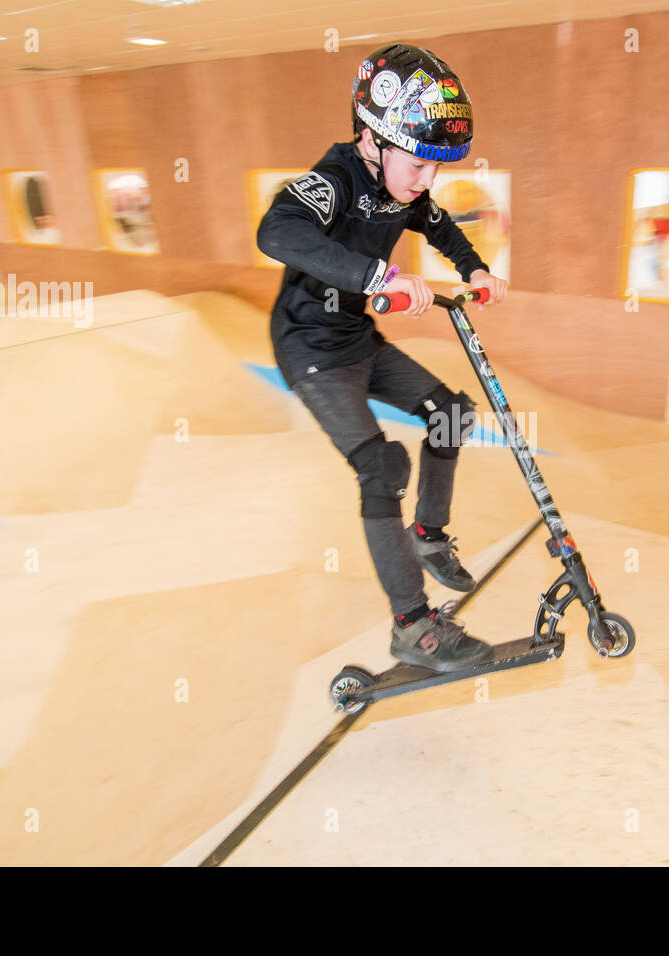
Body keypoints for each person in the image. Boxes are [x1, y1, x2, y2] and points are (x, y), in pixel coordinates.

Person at [257, 43, 509, 673]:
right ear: (372, 138)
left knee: (451, 414)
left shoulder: (407, 187)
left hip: (355, 340)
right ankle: (413, 627)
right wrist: (379, 276)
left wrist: (475, 267)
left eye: (433, 168)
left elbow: (438, 222)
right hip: (310, 351)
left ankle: (426, 536)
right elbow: (277, 233)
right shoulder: (334, 180)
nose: (425, 180)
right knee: (383, 466)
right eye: (418, 164)